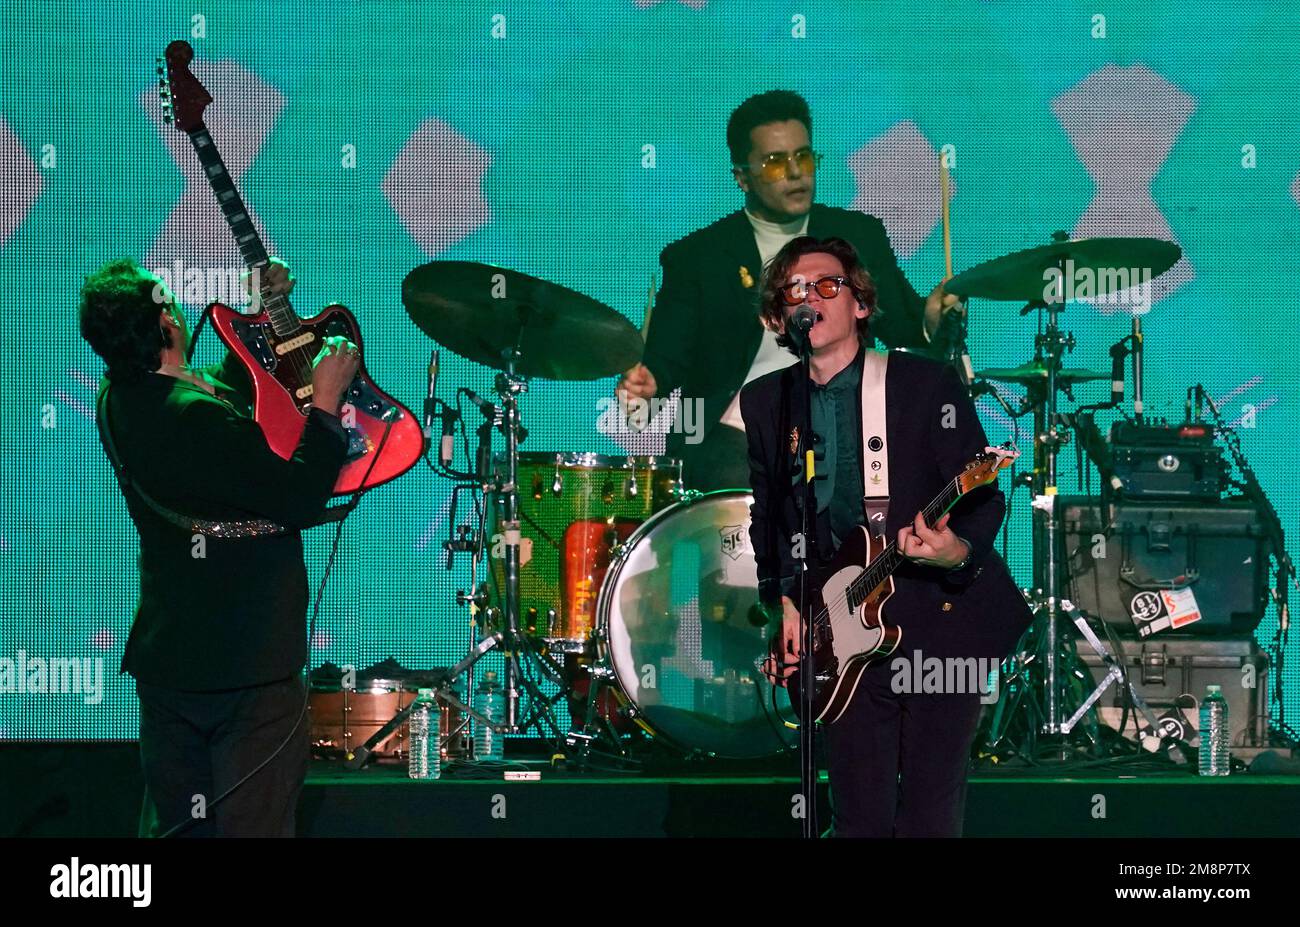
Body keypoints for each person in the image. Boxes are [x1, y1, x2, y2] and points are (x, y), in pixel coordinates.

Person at [741, 236, 1031, 837]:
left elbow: (979, 495)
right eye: (795, 289)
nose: (811, 298)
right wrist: (789, 603)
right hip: (839, 633)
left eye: (828, 285)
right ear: (777, 316)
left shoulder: (924, 385)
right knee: (859, 817)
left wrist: (956, 552)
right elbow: (769, 513)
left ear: (861, 305)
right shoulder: (767, 400)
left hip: (938, 625)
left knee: (929, 815)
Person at [79, 257, 358, 836]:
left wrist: (260, 318)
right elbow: (300, 497)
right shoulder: (194, 419)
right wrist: (327, 405)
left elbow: (223, 421)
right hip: (247, 669)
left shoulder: (120, 399)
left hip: (172, 662)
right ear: (166, 325)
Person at [619, 89, 964, 491]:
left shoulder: (857, 236)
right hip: (739, 434)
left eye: (803, 157)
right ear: (741, 176)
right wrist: (648, 379)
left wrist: (932, 318)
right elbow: (667, 357)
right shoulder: (700, 256)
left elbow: (903, 325)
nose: (796, 173)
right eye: (775, 163)